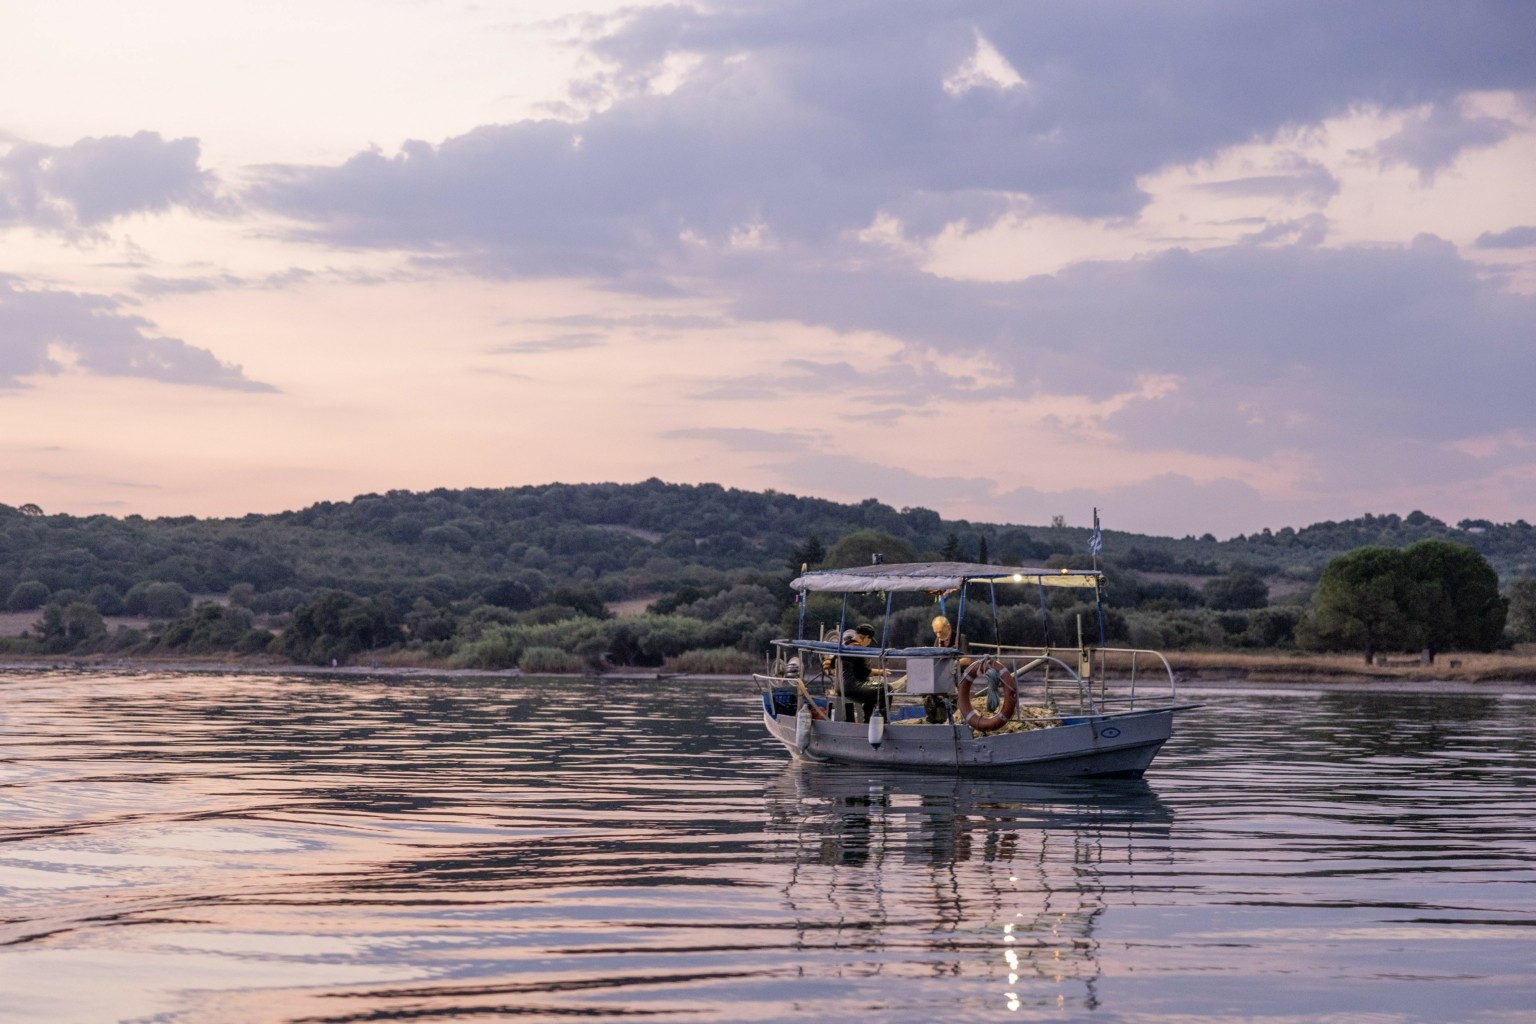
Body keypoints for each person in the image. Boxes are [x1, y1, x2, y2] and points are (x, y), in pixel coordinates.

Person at [838, 623, 881, 721]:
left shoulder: (846, 645)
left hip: (844, 684)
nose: (869, 643)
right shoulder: (856, 649)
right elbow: (864, 672)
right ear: (866, 638)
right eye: (870, 640)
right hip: (853, 686)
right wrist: (882, 672)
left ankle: (867, 719)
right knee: (883, 689)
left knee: (874, 688)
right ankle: (878, 720)